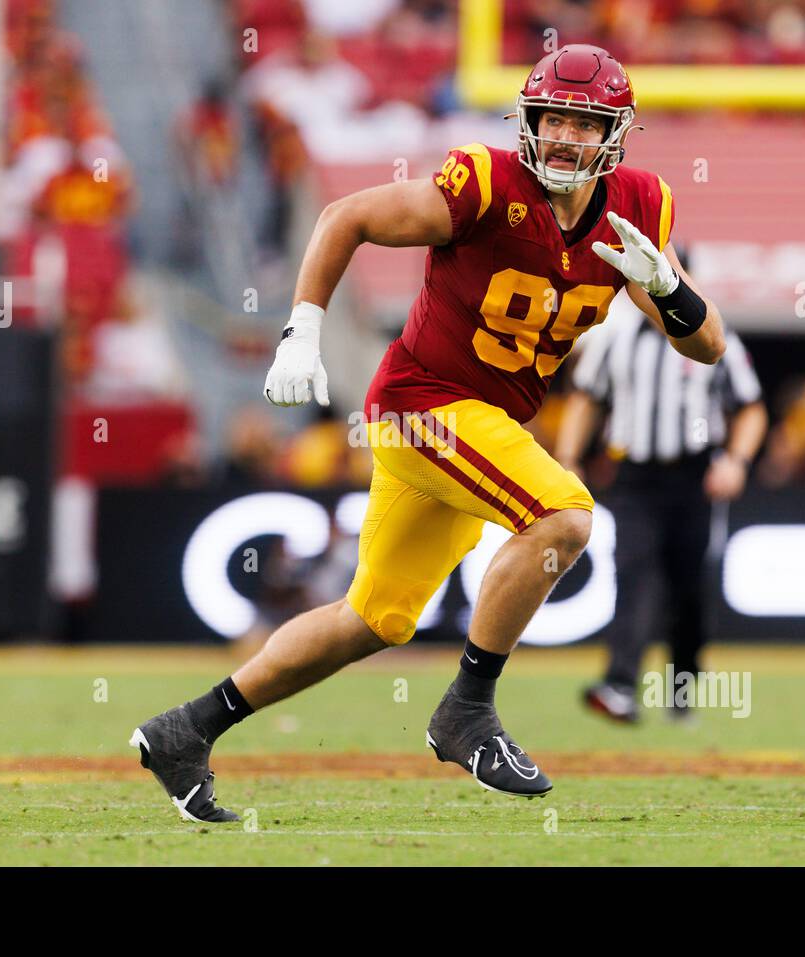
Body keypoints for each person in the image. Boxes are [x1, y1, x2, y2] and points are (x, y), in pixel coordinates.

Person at [130, 44, 725, 822]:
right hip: (424, 405)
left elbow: (706, 345)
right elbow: (348, 217)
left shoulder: (637, 209)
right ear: (530, 120)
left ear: (615, 133)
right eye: (554, 118)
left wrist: (667, 287)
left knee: (373, 618)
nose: (566, 137)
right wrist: (301, 333)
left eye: (585, 122)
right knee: (565, 516)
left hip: (476, 429)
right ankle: (467, 709)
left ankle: (186, 730)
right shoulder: (483, 185)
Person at [556, 291, 766, 722]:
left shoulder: (713, 339)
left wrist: (737, 461)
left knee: (688, 586)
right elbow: (586, 398)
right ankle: (620, 685)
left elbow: (750, 407)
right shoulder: (616, 339)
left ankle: (682, 689)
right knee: (633, 570)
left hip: (693, 475)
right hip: (635, 475)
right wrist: (569, 457)